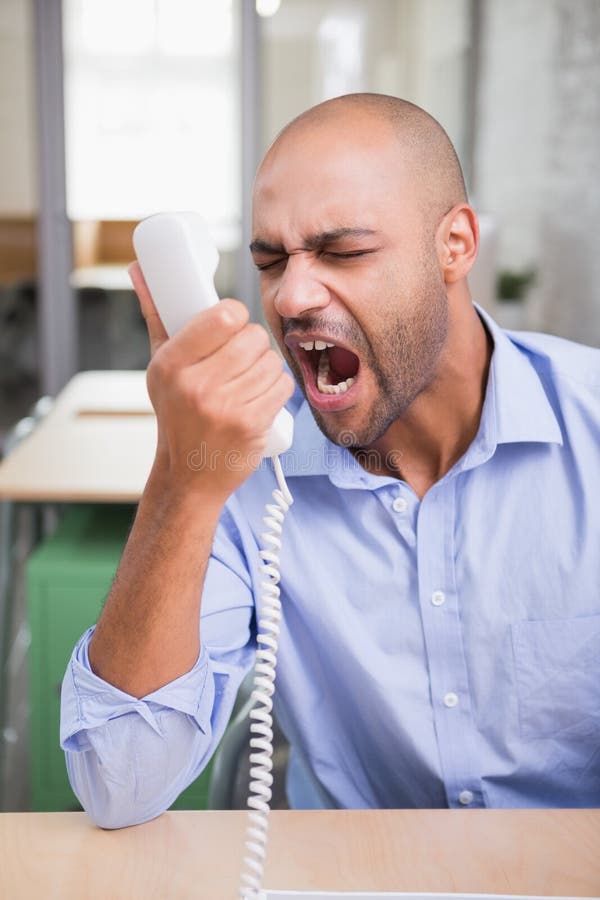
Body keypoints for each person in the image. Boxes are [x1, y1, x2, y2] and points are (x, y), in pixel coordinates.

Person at [61, 94, 600, 828]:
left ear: (456, 245)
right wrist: (182, 481)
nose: (291, 295)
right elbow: (117, 782)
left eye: (344, 251)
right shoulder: (242, 463)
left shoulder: (589, 426)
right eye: (270, 261)